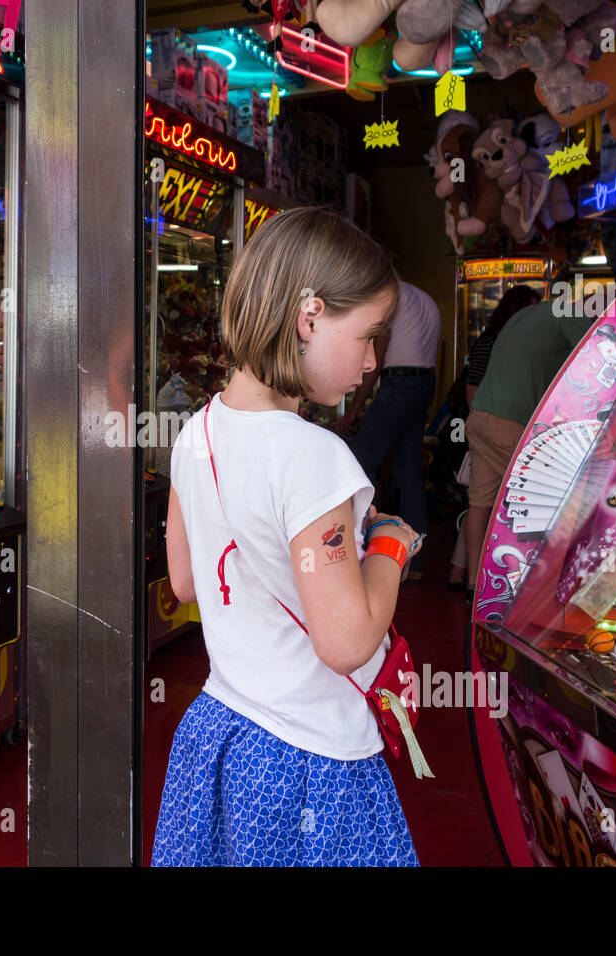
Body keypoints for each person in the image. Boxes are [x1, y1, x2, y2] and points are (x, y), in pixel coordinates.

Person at [153, 207, 421, 867]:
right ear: (310, 317)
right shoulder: (314, 456)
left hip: (221, 733)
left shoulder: (198, 432)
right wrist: (391, 549)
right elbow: (347, 641)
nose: (371, 361)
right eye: (367, 335)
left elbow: (185, 583)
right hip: (311, 756)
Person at [464, 298, 591, 595]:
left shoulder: (525, 312)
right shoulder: (570, 312)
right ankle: (537, 587)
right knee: (545, 500)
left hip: (479, 416)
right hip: (511, 421)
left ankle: (473, 584)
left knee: (480, 503)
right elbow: (596, 350)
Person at [337, 280, 439, 580]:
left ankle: (354, 553)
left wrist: (352, 413)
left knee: (359, 465)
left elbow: (375, 361)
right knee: (409, 473)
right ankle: (413, 560)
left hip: (398, 384)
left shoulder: (387, 294)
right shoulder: (422, 296)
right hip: (424, 383)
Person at [447, 284, 541, 591]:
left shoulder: (489, 340)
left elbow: (473, 386)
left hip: (480, 424)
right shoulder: (508, 344)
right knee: (521, 500)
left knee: (480, 503)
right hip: (501, 423)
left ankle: (469, 579)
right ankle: (511, 581)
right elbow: (474, 386)